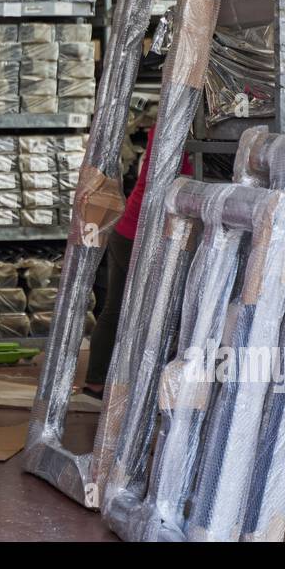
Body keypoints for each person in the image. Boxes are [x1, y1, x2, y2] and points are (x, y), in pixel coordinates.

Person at [81, 127, 192, 398]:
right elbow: (188, 181)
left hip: (128, 231)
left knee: (116, 308)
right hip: (141, 236)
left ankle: (96, 382)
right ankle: (141, 385)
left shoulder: (162, 129)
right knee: (156, 310)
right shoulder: (179, 135)